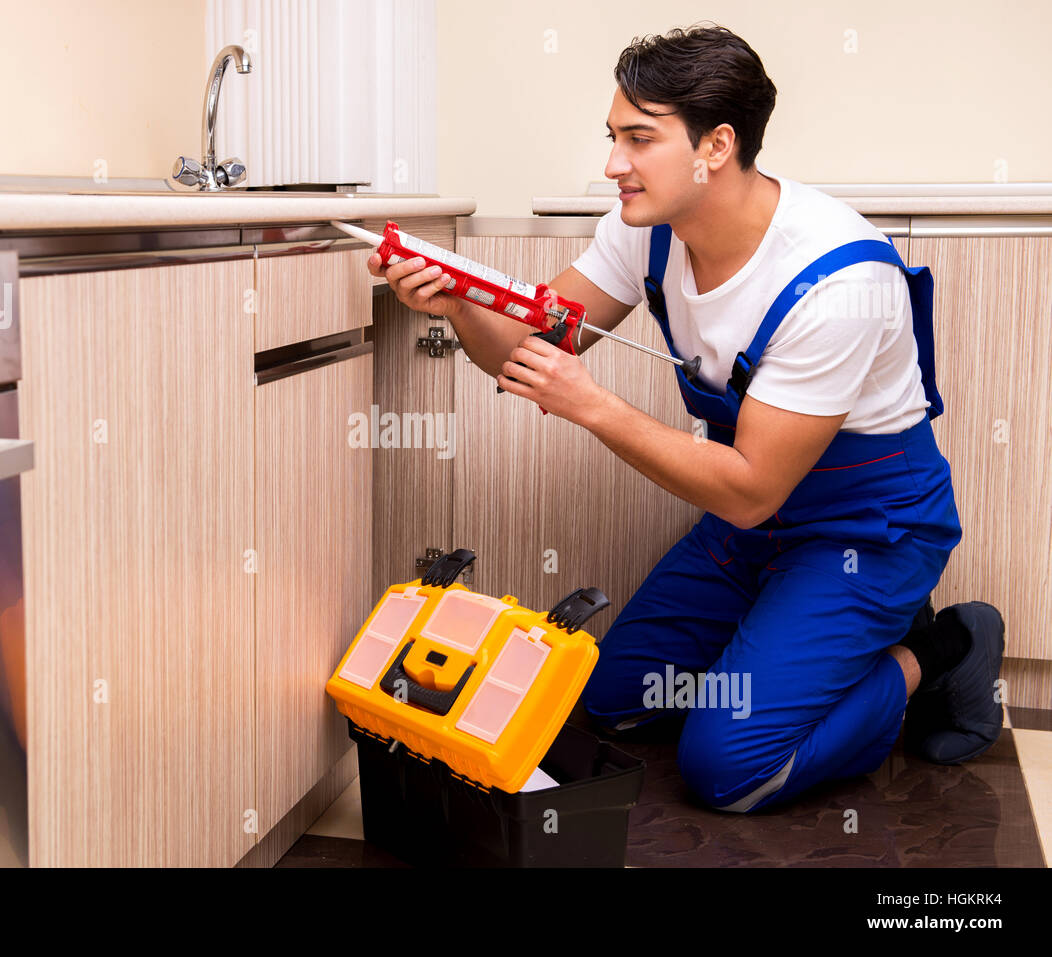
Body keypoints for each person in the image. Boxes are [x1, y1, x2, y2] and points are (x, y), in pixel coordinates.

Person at [366, 23, 1005, 813]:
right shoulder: (647, 234)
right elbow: (524, 352)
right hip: (758, 525)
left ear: (716, 146)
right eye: (613, 137)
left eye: (639, 138)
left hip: (865, 529)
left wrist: (593, 406)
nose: (612, 164)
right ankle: (798, 648)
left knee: (729, 768)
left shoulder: (838, 281)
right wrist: (458, 300)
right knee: (609, 701)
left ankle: (933, 650)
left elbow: (746, 491)